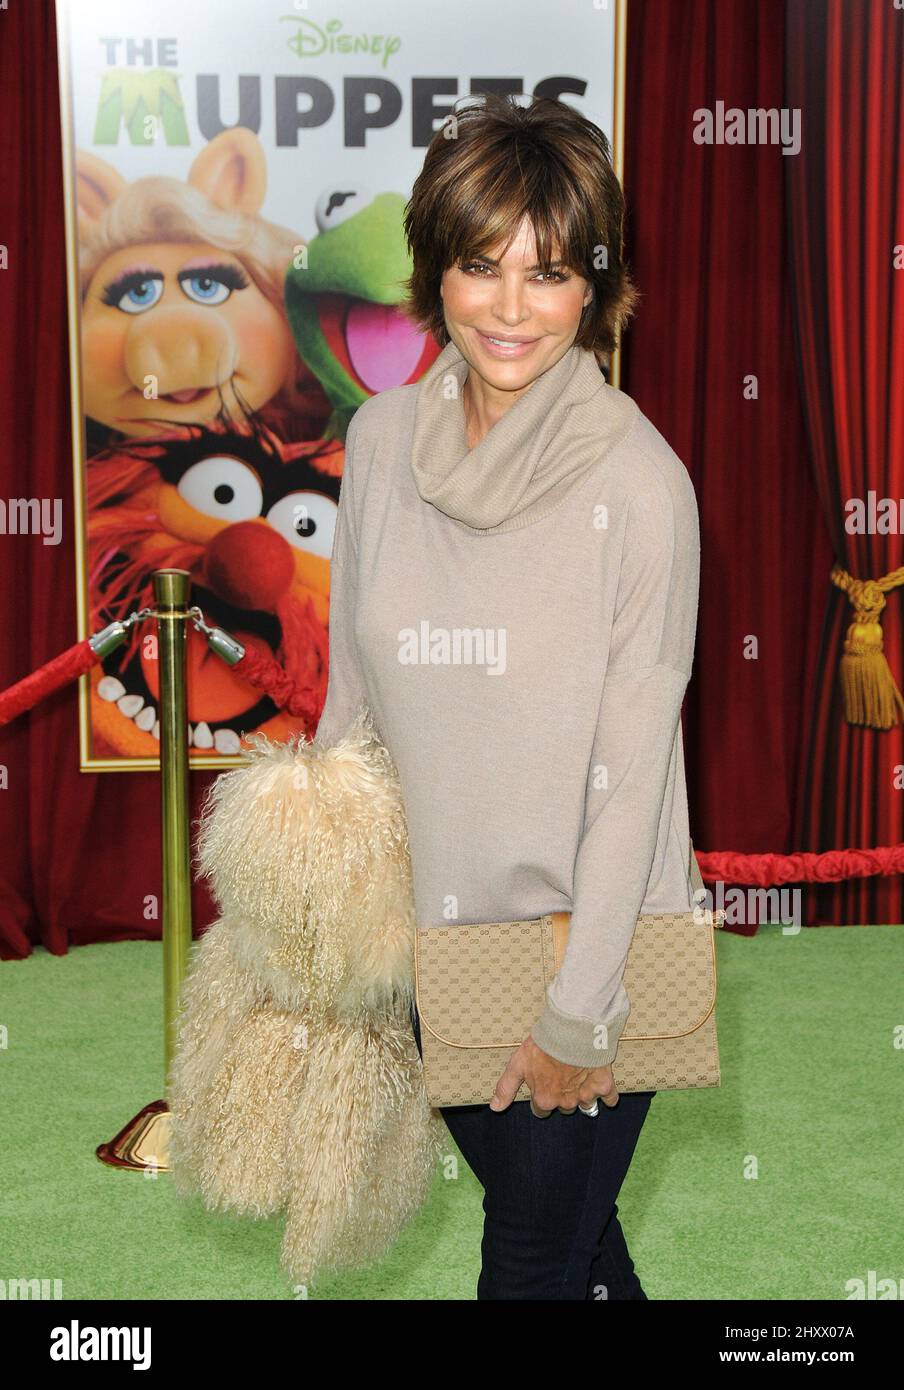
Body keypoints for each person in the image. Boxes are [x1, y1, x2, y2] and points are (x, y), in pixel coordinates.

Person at [315, 93, 701, 1300]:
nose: (511, 308)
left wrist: (580, 1014)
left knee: (529, 1260)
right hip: (428, 950)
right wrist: (335, 940)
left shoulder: (642, 487)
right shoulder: (379, 442)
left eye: (549, 272)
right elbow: (349, 706)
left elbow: (634, 774)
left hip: (582, 961)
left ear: (597, 287)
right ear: (437, 270)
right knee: (581, 1257)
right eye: (482, 266)